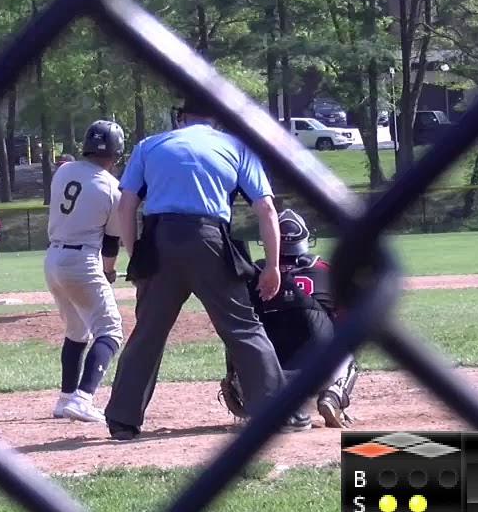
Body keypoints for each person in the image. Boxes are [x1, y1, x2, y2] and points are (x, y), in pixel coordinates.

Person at [103, 99, 301, 441]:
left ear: (180, 118)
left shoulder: (150, 145)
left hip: (160, 237)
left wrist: (138, 255)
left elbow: (127, 203)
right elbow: (267, 210)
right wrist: (272, 265)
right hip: (209, 238)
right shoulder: (236, 146)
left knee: (148, 333)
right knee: (243, 328)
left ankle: (123, 420)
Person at [218, 209, 359, 428]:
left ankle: (246, 396)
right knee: (346, 342)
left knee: (241, 332)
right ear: (304, 239)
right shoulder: (325, 270)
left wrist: (231, 371)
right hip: (316, 369)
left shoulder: (255, 272)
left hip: (264, 372)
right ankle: (333, 396)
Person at [44, 120, 127, 423]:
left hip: (53, 258)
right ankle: (82, 398)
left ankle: (65, 398)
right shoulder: (112, 187)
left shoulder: (64, 171)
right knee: (111, 330)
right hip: (83, 260)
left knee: (76, 331)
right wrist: (109, 271)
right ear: (117, 152)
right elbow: (111, 240)